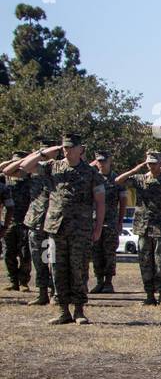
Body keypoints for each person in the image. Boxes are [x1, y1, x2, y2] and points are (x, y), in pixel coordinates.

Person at [17, 136, 105, 325]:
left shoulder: (91, 173)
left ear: (81, 149)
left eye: (71, 147)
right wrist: (43, 153)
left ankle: (79, 311)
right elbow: (24, 167)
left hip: (80, 229)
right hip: (56, 228)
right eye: (64, 147)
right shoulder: (52, 167)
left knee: (79, 269)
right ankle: (62, 310)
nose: (66, 150)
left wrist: (98, 227)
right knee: (56, 268)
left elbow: (100, 201)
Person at [115, 152, 161, 305]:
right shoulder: (140, 180)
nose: (152, 166)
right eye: (149, 163)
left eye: (154, 163)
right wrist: (136, 169)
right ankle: (149, 295)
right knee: (145, 261)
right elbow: (118, 181)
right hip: (143, 227)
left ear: (160, 163)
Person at [88, 153, 126, 294]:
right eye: (98, 161)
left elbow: (123, 202)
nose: (101, 164)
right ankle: (99, 281)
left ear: (110, 161)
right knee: (96, 253)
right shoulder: (92, 177)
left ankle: (108, 282)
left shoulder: (117, 179)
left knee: (109, 253)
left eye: (104, 161)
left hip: (110, 221)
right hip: (94, 220)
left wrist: (120, 221)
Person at [3, 148, 34, 291]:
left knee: (25, 254)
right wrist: (14, 161)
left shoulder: (31, 178)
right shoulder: (5, 178)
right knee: (9, 252)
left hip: (26, 221)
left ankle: (23, 282)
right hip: (9, 221)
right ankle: (12, 281)